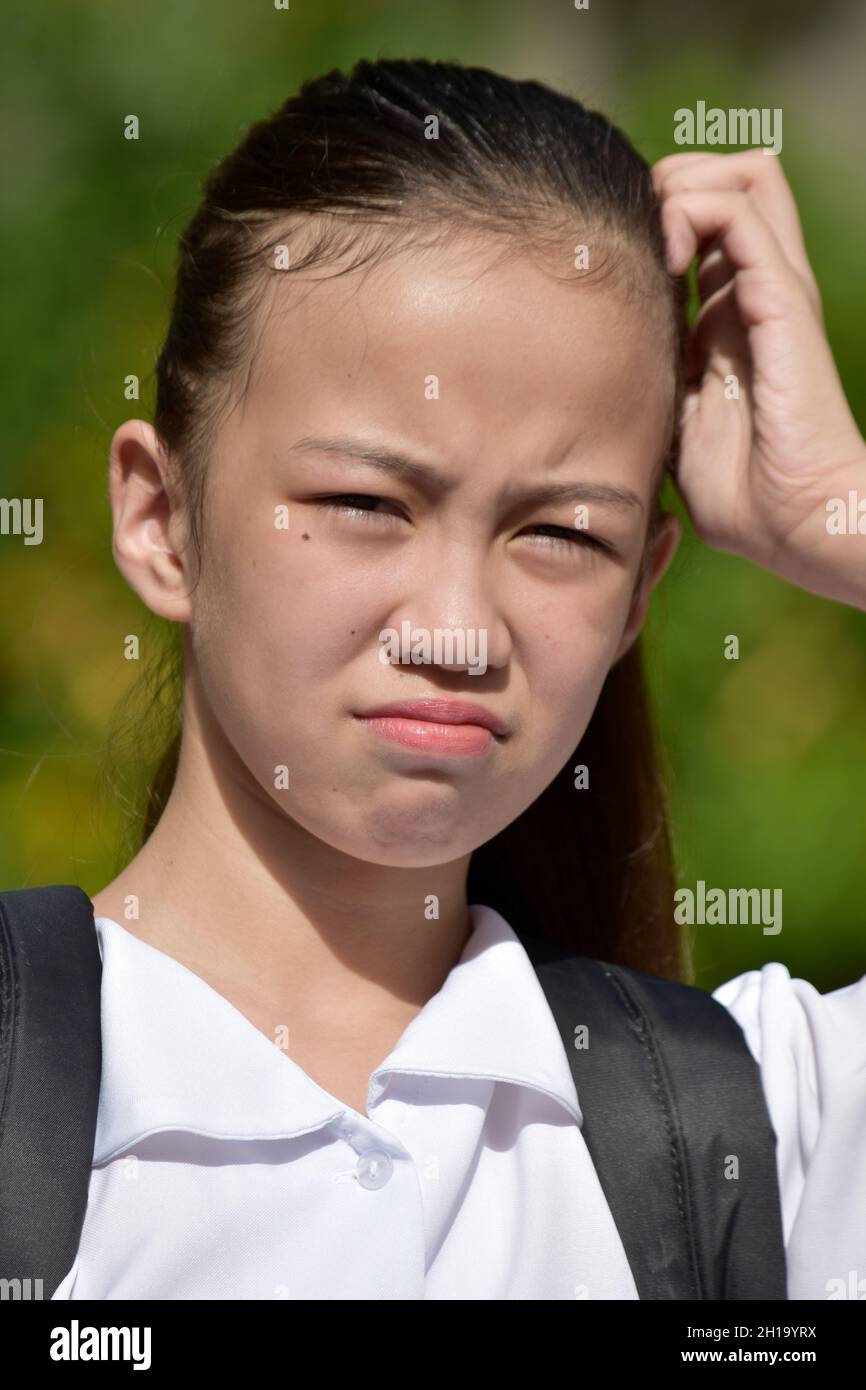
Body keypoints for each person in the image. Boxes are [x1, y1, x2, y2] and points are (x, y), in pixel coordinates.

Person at [47, 58, 865, 1299]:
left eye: (561, 533)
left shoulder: (765, 1133)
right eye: (366, 502)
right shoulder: (33, 1096)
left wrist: (830, 512)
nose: (456, 630)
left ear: (643, 585)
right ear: (160, 517)